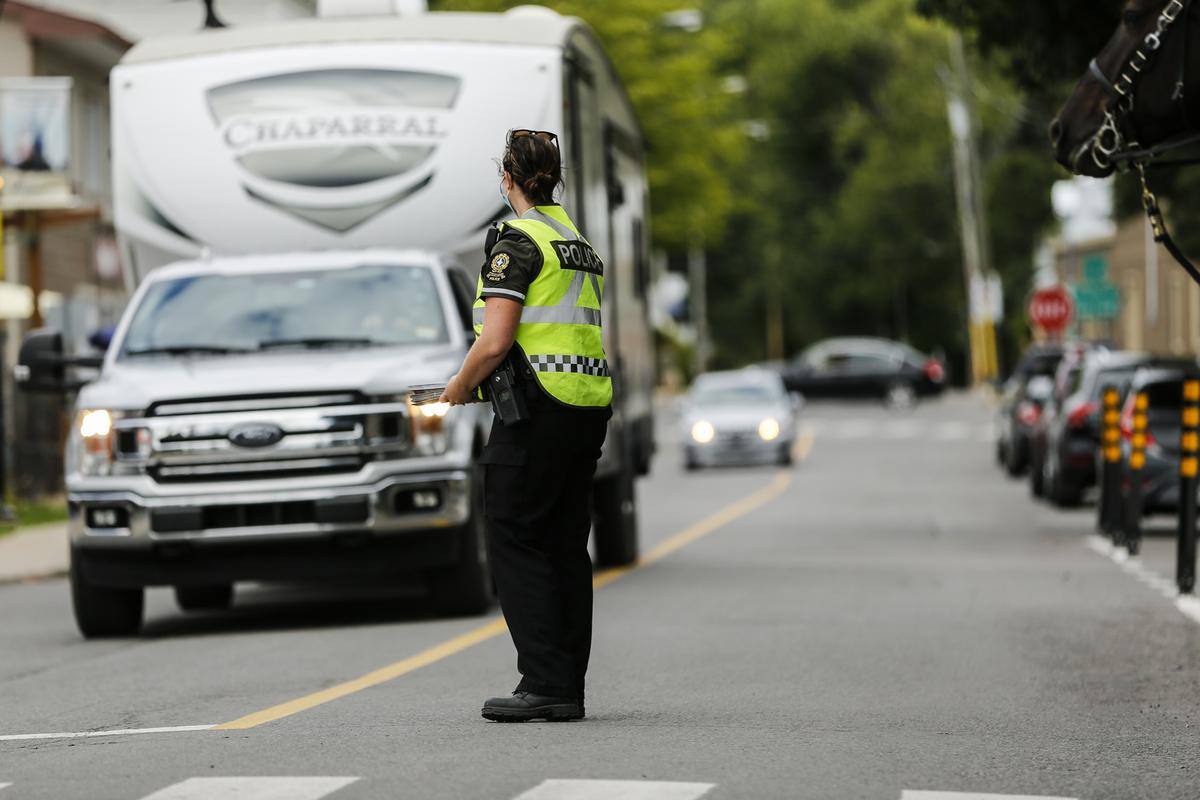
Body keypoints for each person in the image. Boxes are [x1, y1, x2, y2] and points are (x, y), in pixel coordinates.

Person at [439, 129, 612, 722]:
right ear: (554, 177)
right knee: (565, 545)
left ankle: (543, 681)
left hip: (536, 410)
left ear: (507, 178)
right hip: (585, 407)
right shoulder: (577, 241)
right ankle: (567, 685)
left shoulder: (519, 241)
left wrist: (457, 389)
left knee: (515, 537)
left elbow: (495, 342)